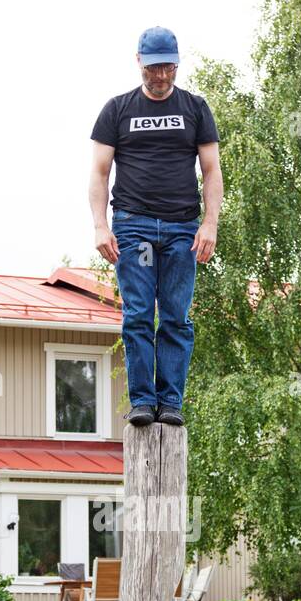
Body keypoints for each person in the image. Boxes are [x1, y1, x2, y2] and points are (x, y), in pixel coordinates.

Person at [89, 26, 223, 427]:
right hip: (133, 225)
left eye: (167, 67)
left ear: (177, 64)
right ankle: (144, 401)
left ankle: (171, 403)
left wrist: (210, 223)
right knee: (138, 315)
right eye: (153, 69)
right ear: (139, 64)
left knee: (177, 316)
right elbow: (99, 173)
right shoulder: (117, 110)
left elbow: (212, 171)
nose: (160, 76)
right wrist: (100, 226)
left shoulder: (196, 109)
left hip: (183, 227)